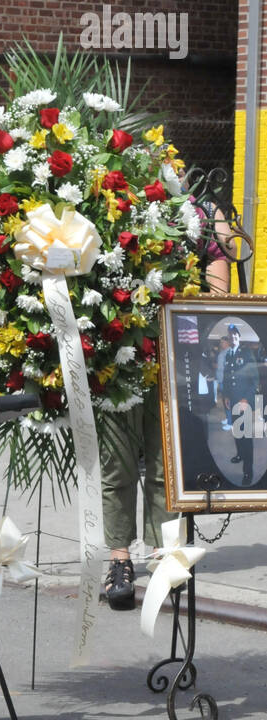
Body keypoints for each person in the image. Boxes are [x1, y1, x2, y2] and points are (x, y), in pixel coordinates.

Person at [101, 202, 234, 610]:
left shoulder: (195, 206)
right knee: (118, 463)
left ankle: (163, 555)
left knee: (166, 466)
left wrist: (213, 312)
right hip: (116, 353)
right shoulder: (110, 194)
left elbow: (219, 260)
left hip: (175, 354)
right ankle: (119, 560)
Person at [223, 323, 260, 486]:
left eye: (235, 335)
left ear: (239, 336)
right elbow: (227, 377)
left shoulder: (246, 353)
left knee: (245, 436)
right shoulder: (229, 354)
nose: (233, 338)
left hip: (244, 401)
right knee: (237, 431)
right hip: (232, 400)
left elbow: (255, 380)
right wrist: (225, 395)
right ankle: (240, 454)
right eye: (230, 336)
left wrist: (246, 399)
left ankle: (248, 471)